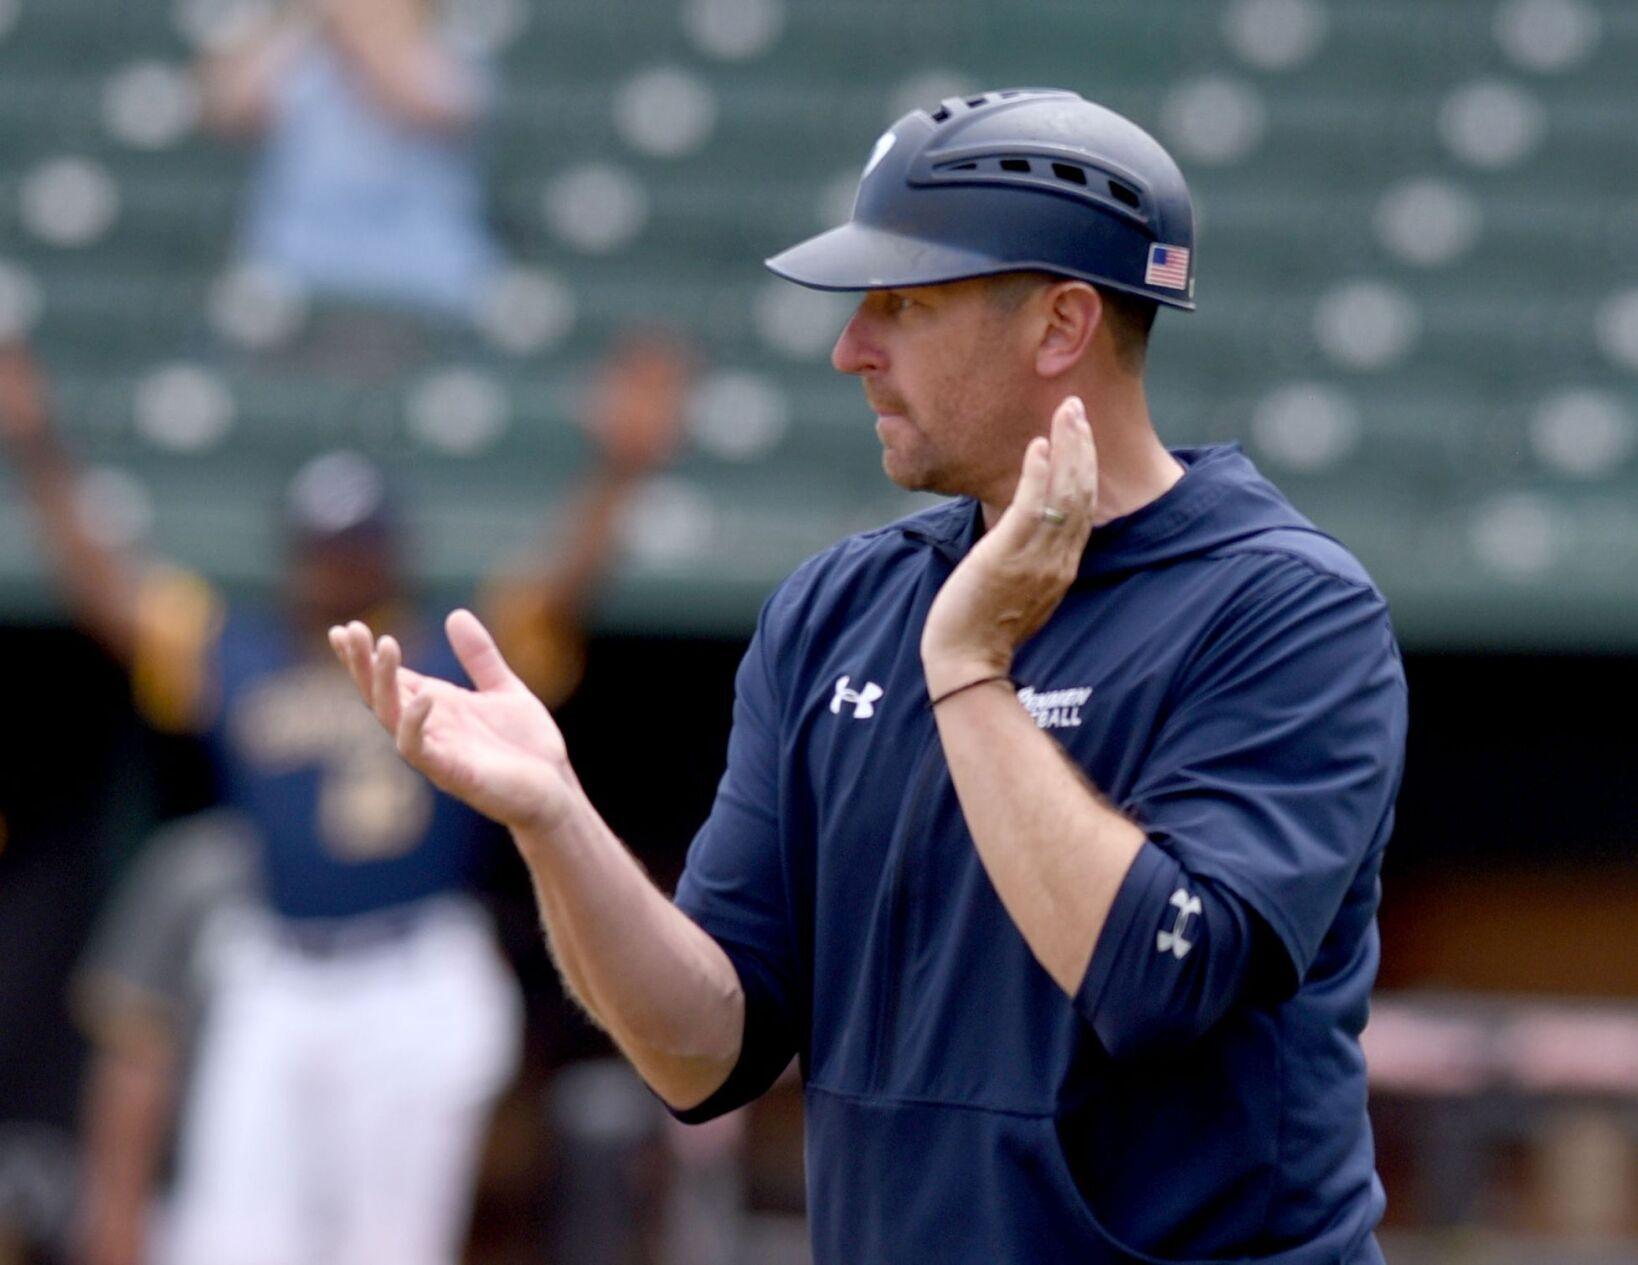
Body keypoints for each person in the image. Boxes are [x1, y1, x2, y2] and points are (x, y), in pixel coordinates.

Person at [331, 89, 1408, 1264]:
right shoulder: (833, 610)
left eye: (904, 302)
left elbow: (1160, 978)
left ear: (1060, 326)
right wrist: (556, 821)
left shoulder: (1289, 608)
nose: (852, 349)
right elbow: (707, 1049)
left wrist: (968, 667)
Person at [0, 333, 691, 1265]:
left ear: (391, 553)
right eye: (326, 547)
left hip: (411, 962)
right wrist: (37, 447)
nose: (342, 565)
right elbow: (109, 597)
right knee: (231, 1238)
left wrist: (621, 467)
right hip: (275, 969)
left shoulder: (446, 652)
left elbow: (561, 591)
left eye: (359, 545)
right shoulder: (236, 652)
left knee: (389, 1245)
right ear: (296, 554)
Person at [200, 0, 501, 323]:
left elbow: (429, 112)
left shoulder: (450, 52)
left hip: (425, 274)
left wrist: (359, 32)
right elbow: (224, 113)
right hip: (296, 272)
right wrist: (302, 23)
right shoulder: (298, 53)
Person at [72, 810, 260, 1265]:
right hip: (194, 1194)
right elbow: (132, 1057)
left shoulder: (421, 898)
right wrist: (117, 1219)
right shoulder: (203, 863)